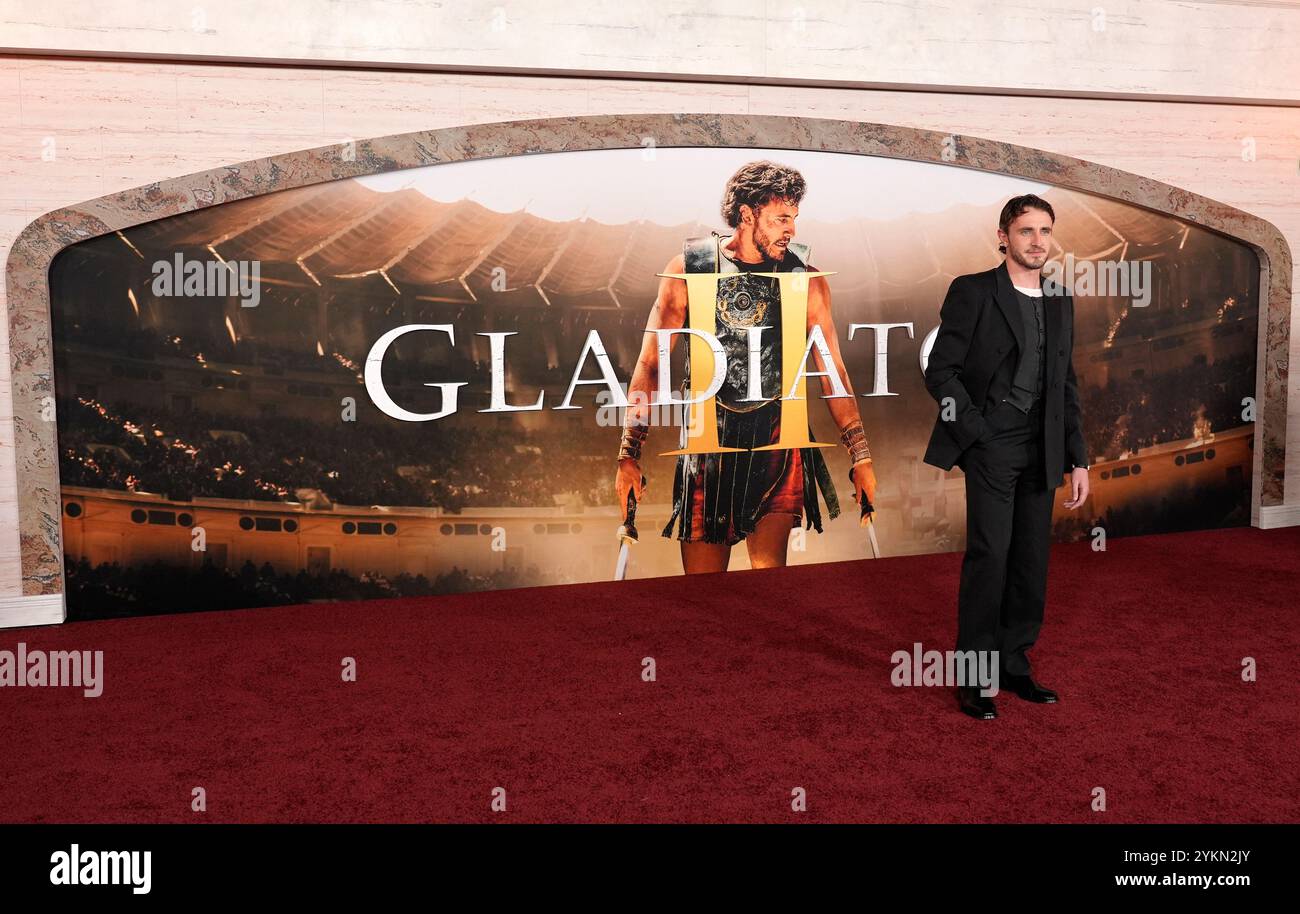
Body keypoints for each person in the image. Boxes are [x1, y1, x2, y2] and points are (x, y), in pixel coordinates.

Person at [615, 160, 878, 572]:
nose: (791, 229)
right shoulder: (688, 269)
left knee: (769, 585)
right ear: (747, 214)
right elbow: (651, 363)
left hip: (777, 440)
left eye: (794, 218)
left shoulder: (805, 279)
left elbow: (833, 374)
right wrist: (629, 453)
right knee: (704, 595)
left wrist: (860, 457)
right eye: (780, 219)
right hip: (708, 444)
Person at [922, 193, 1090, 720]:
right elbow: (940, 372)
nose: (1037, 241)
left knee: (1031, 560)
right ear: (1003, 237)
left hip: (1044, 446)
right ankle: (974, 676)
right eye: (1026, 231)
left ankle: (1014, 662)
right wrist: (977, 431)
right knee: (990, 556)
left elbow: (1065, 383)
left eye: (1045, 231)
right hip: (992, 444)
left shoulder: (1060, 298)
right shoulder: (973, 291)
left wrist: (1078, 458)